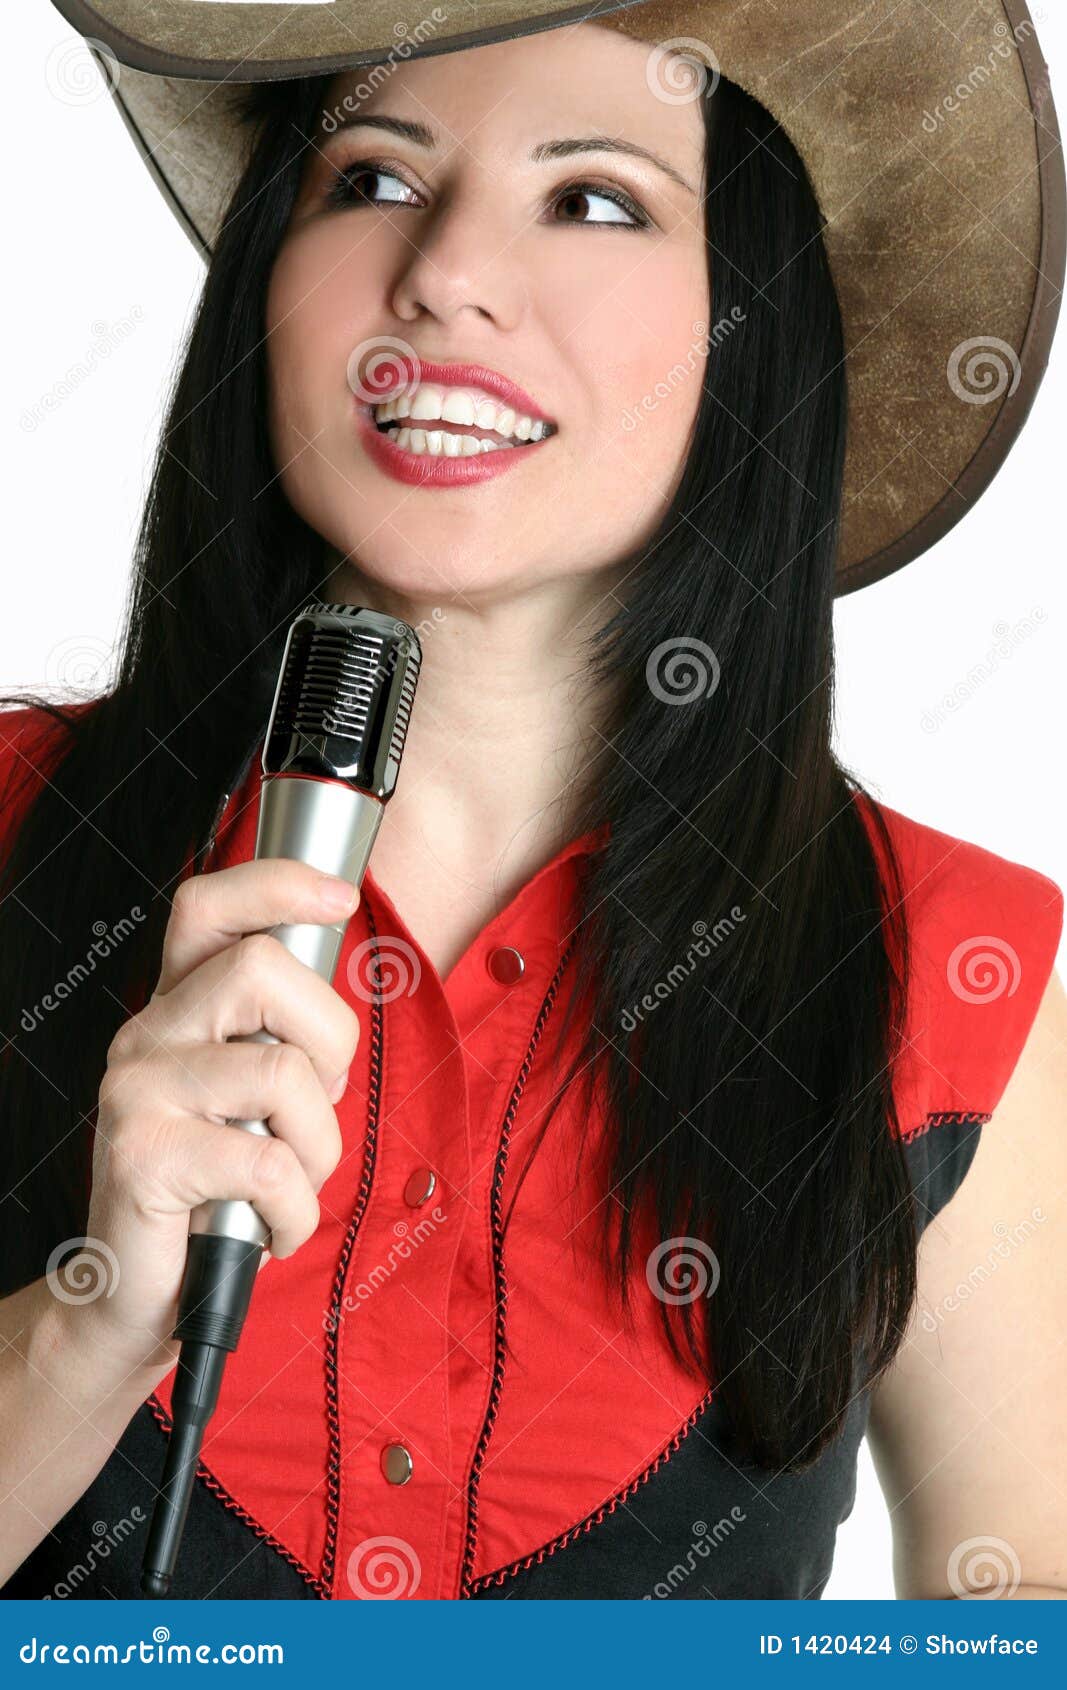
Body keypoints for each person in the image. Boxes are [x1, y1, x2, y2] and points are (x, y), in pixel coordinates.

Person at [1, 2, 1064, 1600]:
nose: (444, 274)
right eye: (368, 176)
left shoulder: (957, 968)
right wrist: (80, 1332)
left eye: (592, 199)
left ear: (753, 321)